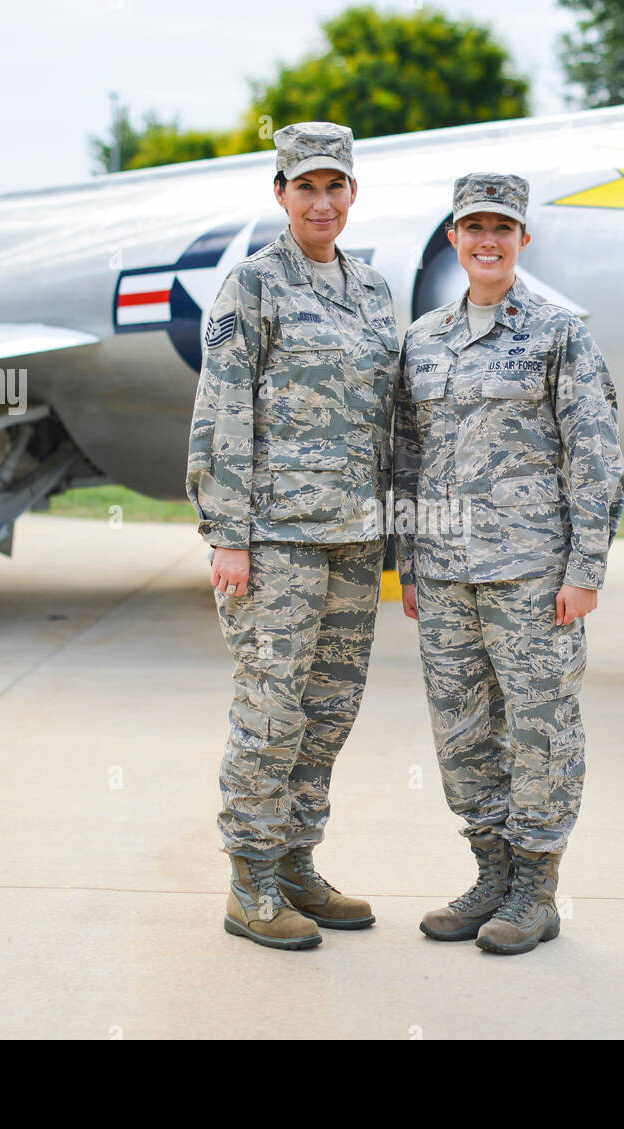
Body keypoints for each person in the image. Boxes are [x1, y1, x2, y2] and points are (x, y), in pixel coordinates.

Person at [394, 172, 624, 956]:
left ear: (523, 240)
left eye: (502, 227)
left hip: (533, 575)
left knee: (541, 729)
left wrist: (585, 570)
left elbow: (596, 459)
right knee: (461, 732)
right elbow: (407, 456)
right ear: (453, 239)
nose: (486, 240)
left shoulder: (561, 335)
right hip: (446, 575)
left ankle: (536, 885)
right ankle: (490, 870)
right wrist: (412, 561)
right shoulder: (423, 340)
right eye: (472, 227)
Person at [185, 121, 401, 951]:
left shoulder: (374, 292)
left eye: (334, 185)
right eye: (304, 185)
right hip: (272, 541)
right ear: (280, 193)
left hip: (353, 540)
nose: (321, 200)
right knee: (270, 711)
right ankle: (250, 882)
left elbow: (389, 417)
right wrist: (227, 535)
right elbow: (222, 412)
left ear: (352, 194)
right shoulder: (251, 285)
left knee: (328, 711)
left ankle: (298, 864)